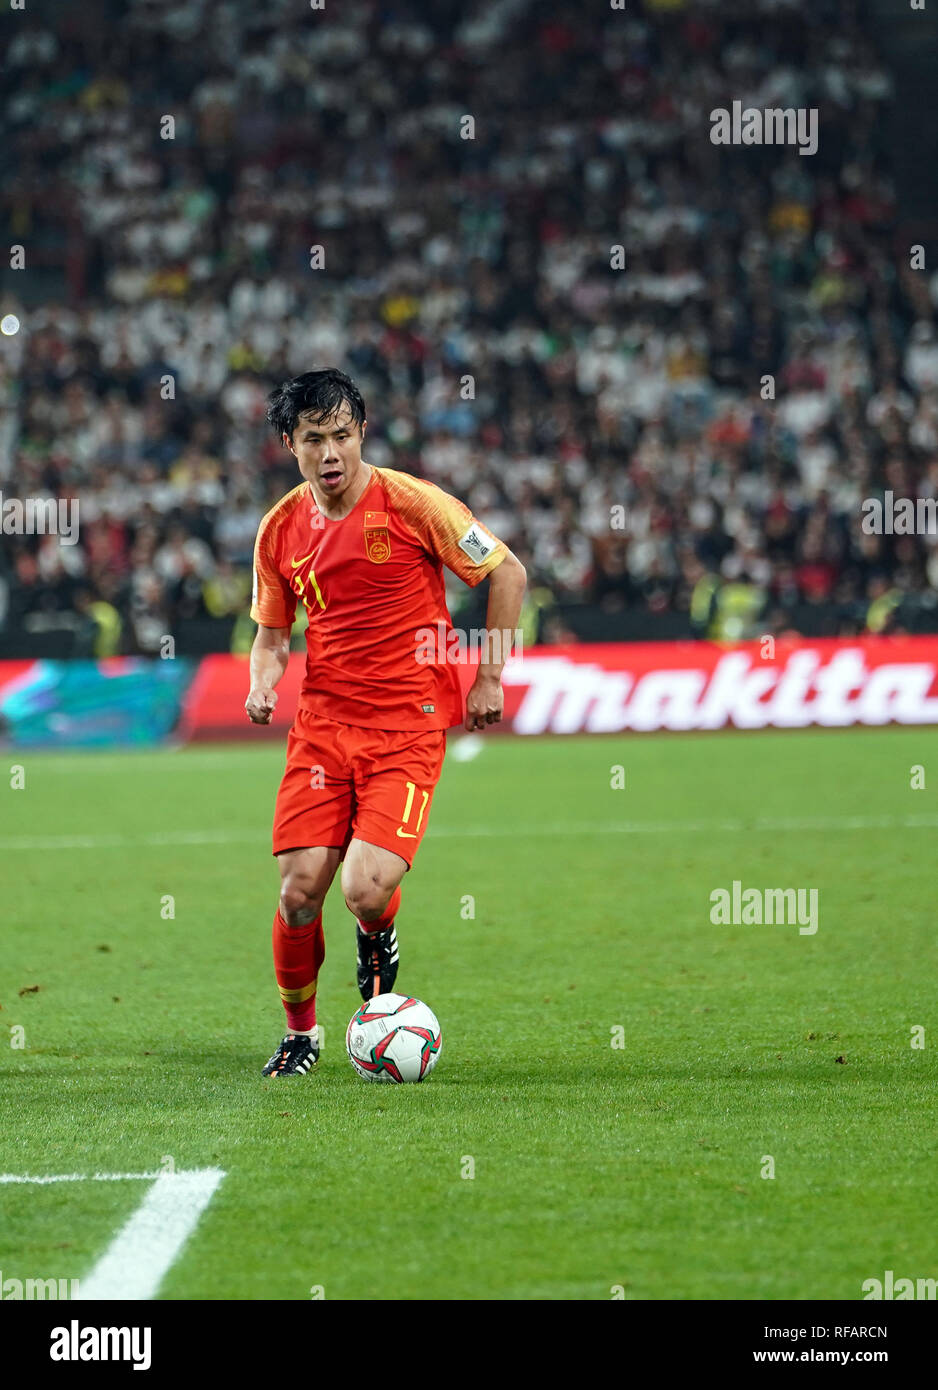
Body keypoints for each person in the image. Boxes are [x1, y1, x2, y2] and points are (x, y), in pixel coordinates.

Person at [246, 369, 527, 1076]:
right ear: (291, 443)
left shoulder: (411, 503)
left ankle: (378, 930)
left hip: (408, 723)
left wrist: (489, 675)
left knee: (364, 889)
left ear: (362, 432)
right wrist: (262, 683)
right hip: (322, 727)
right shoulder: (279, 529)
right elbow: (275, 635)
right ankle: (301, 1033)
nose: (332, 451)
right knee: (299, 890)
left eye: (343, 434)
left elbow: (507, 572)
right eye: (315, 439)